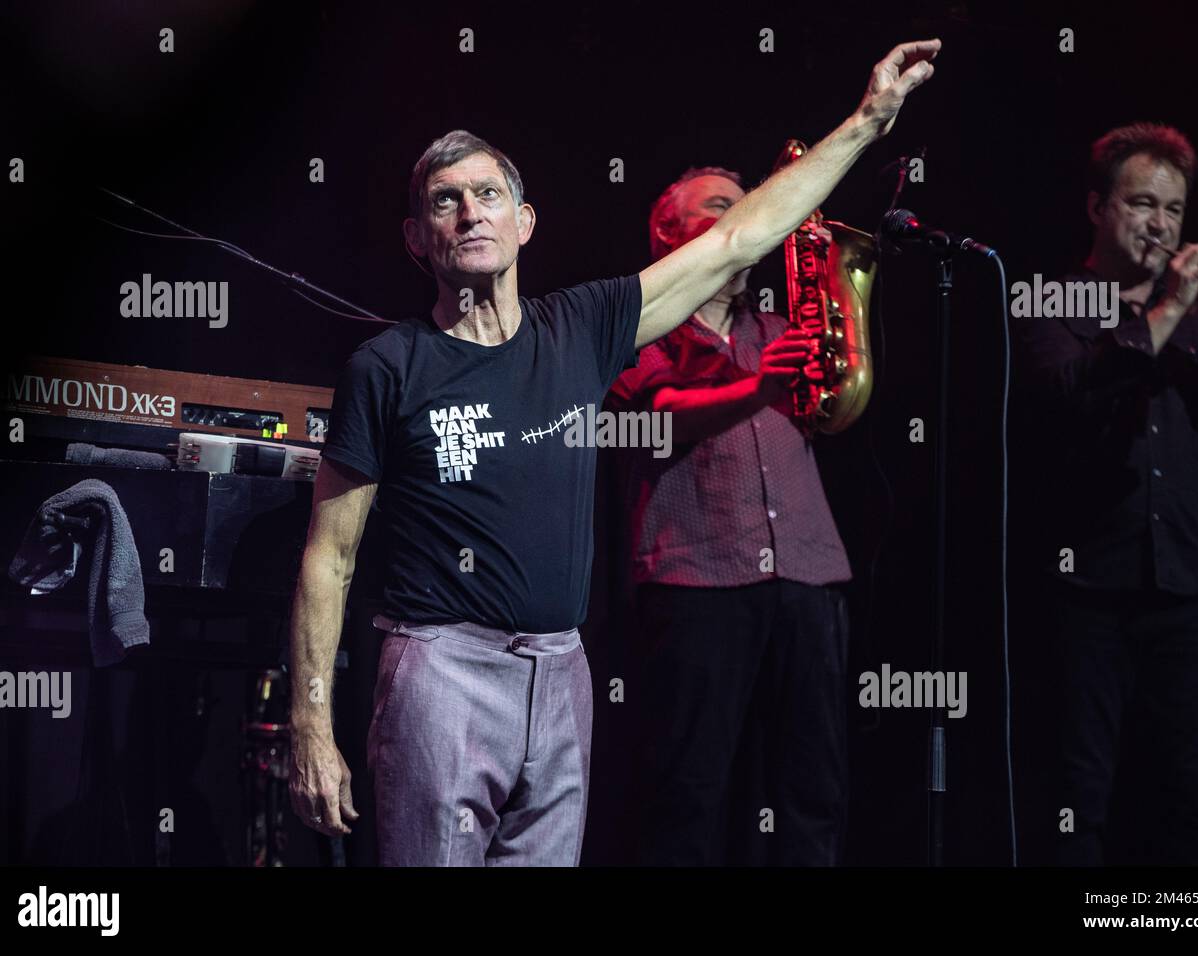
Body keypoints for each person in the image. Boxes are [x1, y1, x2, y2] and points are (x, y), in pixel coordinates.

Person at [286, 39, 941, 866]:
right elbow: (328, 558)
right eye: (446, 203)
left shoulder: (581, 329)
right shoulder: (388, 366)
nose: (470, 213)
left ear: (525, 223)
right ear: (418, 238)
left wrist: (867, 121)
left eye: (489, 195)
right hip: (441, 668)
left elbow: (739, 239)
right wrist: (312, 723)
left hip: (561, 671)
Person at [1015, 122, 1198, 865]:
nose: (1161, 225)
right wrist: (1163, 312)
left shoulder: (1196, 312)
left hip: (1189, 585)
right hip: (1086, 585)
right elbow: (1069, 394)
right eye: (1142, 204)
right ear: (1097, 208)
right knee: (1078, 793)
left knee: (1191, 794)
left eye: (1174, 210)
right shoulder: (1047, 299)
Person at [607, 165, 854, 865]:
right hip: (698, 581)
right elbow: (657, 420)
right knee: (687, 794)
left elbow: (840, 412)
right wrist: (760, 386)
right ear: (667, 234)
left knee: (812, 790)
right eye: (721, 206)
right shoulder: (637, 328)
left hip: (809, 576)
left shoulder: (783, 328)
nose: (745, 215)